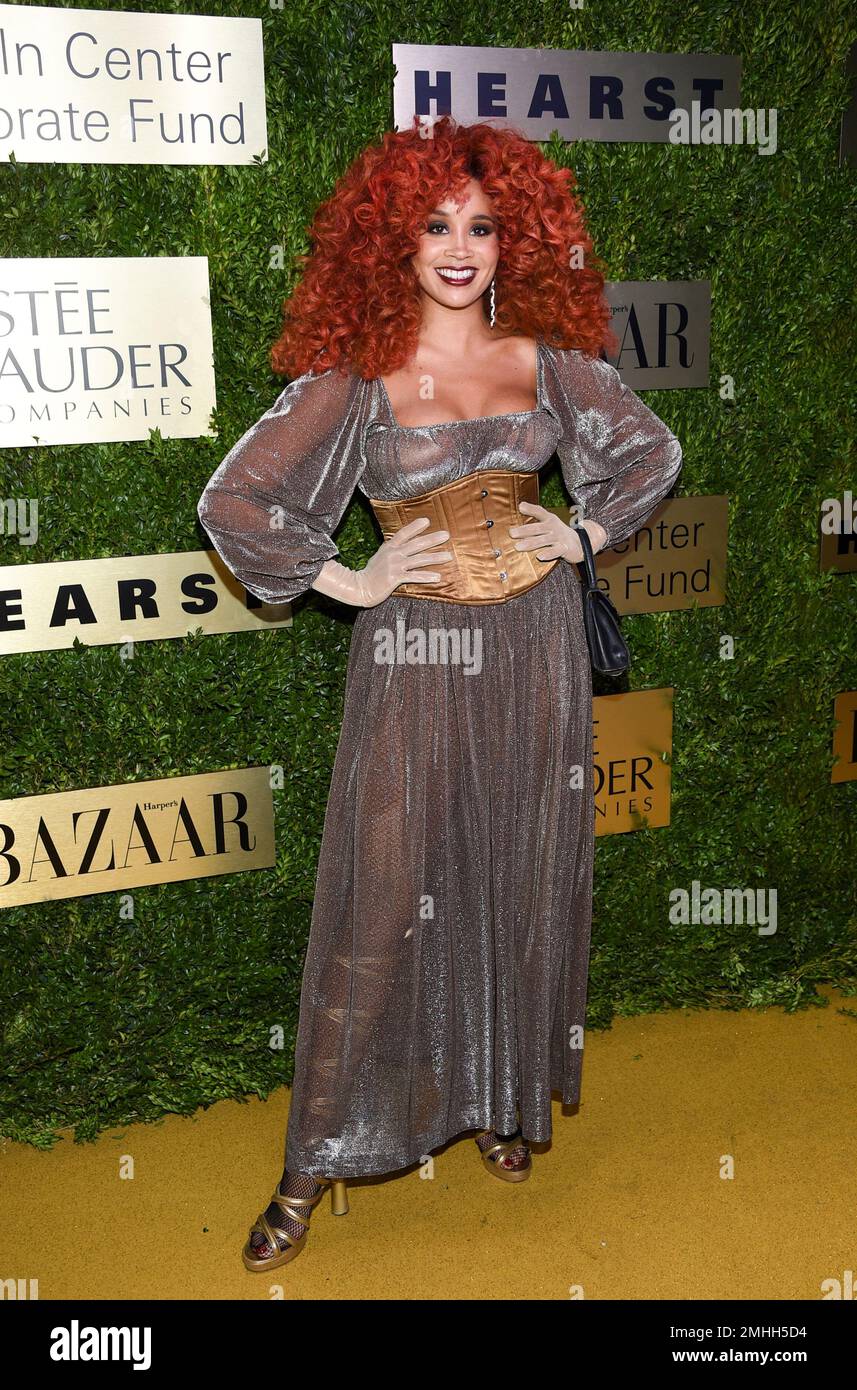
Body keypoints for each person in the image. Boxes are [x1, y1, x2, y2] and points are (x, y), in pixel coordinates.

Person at [196, 115, 683, 1272]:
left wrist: (585, 532)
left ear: (513, 241)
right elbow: (239, 500)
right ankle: (309, 1165)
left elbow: (648, 451)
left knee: (516, 876)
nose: (458, 247)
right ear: (391, 240)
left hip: (536, 658)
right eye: (433, 224)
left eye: (481, 226)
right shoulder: (355, 375)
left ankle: (503, 1105)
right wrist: (350, 577)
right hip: (414, 665)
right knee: (382, 898)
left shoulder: (545, 358)